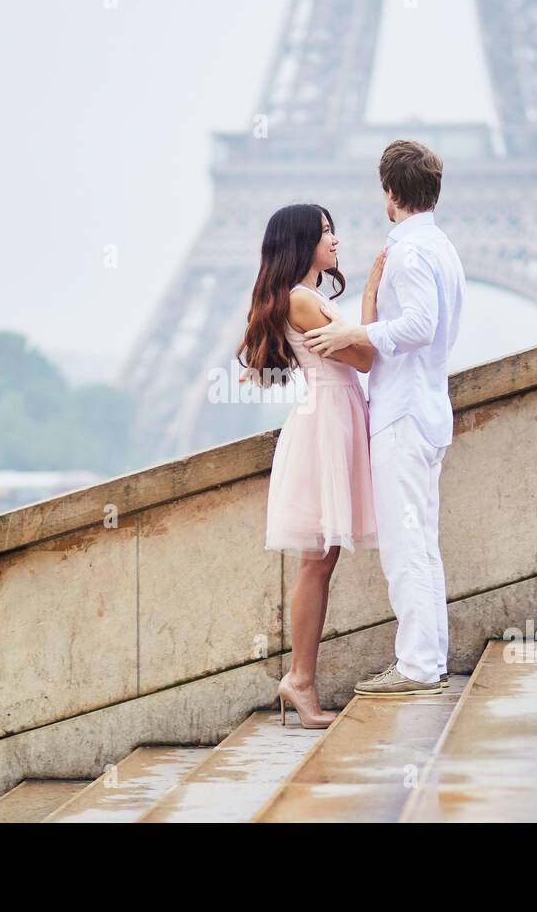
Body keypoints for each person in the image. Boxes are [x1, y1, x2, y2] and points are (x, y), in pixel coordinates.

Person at [303, 139, 464, 696]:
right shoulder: (440, 247)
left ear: (390, 192)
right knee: (422, 545)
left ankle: (418, 667)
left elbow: (419, 324)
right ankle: (429, 660)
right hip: (426, 410)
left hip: (403, 415)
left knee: (404, 546)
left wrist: (358, 332)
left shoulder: (411, 252)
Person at [236, 203, 379, 727]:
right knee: (317, 559)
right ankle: (299, 678)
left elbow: (358, 350)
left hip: (334, 418)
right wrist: (367, 305)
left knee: (322, 558)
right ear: (302, 243)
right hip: (326, 424)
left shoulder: (307, 296)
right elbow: (364, 358)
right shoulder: (300, 299)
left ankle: (301, 678)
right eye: (325, 232)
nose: (336, 240)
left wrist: (359, 323)